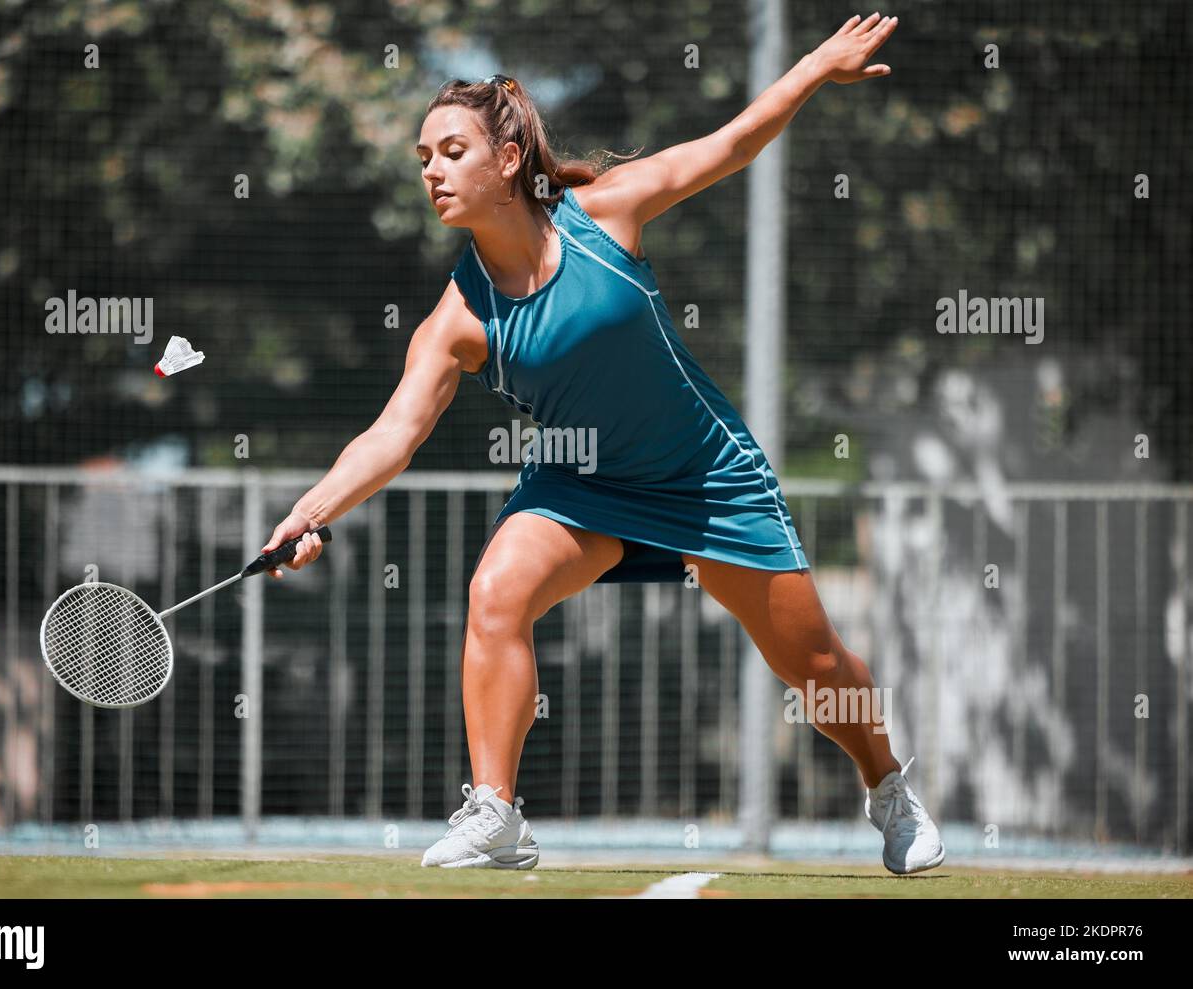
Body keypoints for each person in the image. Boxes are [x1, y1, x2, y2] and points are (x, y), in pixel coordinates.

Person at [263, 12, 944, 875]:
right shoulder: (458, 318)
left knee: (814, 664)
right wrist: (310, 511)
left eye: (452, 152)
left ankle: (887, 786)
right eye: (424, 158)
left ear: (508, 159)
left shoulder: (603, 216)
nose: (432, 170)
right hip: (583, 486)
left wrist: (814, 65)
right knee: (497, 591)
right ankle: (497, 813)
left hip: (706, 479)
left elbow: (731, 145)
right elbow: (395, 434)